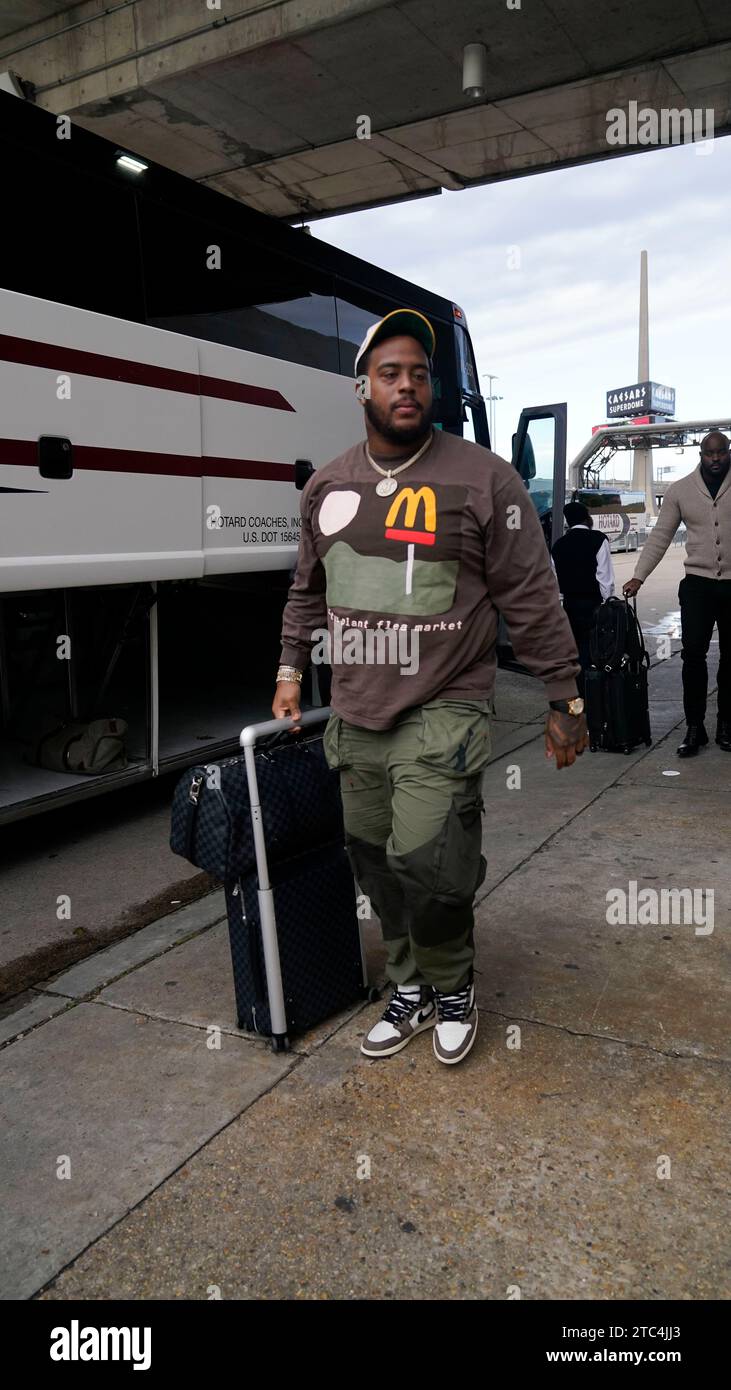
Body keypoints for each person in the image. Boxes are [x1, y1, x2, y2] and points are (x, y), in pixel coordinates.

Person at [272, 309, 586, 1067]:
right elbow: (305, 591)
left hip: (444, 707)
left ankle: (451, 984)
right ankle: (408, 985)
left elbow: (530, 593)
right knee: (375, 861)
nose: (407, 386)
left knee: (430, 858)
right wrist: (288, 669)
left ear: (431, 388)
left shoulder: (483, 477)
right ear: (362, 388)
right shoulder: (327, 487)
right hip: (355, 710)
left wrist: (564, 696)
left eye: (419, 373)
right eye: (390, 373)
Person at [624, 431, 731, 757]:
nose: (715, 459)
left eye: (720, 453)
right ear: (700, 453)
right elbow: (659, 537)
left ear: (728, 451)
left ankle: (726, 725)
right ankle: (694, 727)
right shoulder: (680, 490)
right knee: (693, 657)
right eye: (709, 453)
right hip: (696, 585)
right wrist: (638, 577)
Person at [551, 501, 616, 695]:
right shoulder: (599, 539)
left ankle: (579, 692)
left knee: (576, 650)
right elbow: (605, 578)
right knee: (596, 650)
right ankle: (595, 692)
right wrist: (609, 602)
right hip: (594, 605)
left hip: (570, 605)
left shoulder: (558, 545)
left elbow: (554, 581)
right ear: (587, 518)